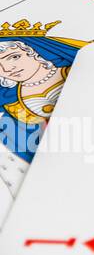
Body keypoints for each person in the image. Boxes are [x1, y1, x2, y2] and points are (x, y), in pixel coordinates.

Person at [0, 20, 89, 163]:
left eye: (14, 57)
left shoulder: (80, 70)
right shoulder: (10, 104)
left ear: (33, 52)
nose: (7, 69)